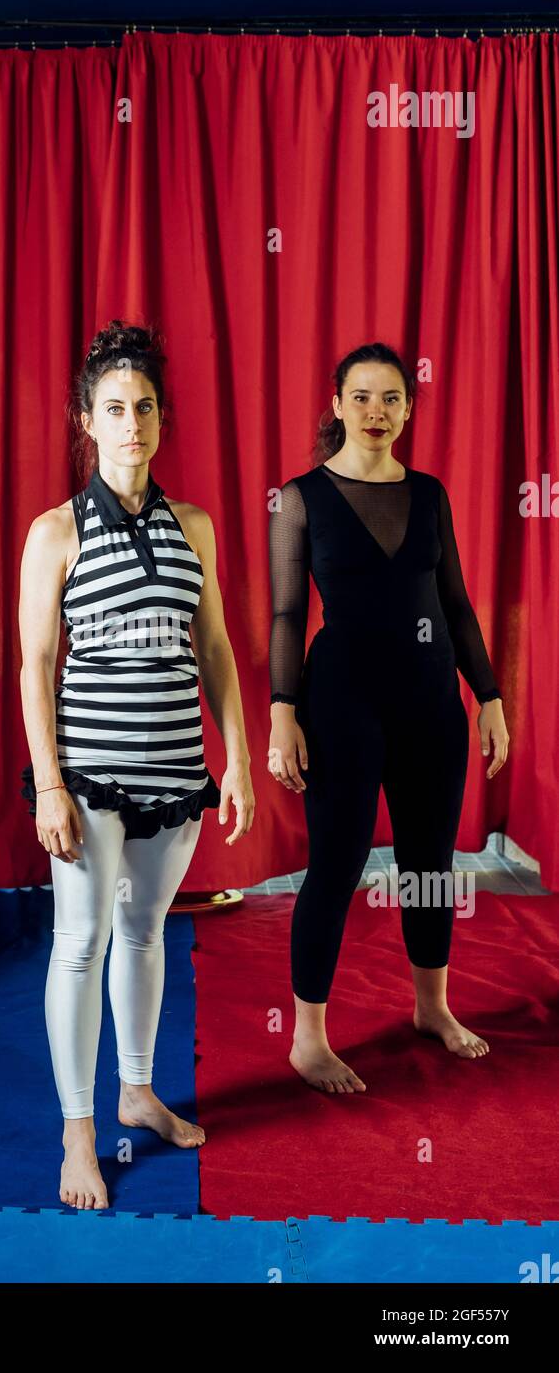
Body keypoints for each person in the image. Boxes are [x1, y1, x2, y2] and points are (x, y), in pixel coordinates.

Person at [19, 320, 254, 1210]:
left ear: (162, 419)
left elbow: (219, 646)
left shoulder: (193, 524)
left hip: (177, 770)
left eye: (144, 408)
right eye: (113, 408)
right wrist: (48, 783)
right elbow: (36, 667)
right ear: (87, 419)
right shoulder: (54, 533)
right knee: (80, 943)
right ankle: (79, 1131)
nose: (131, 424)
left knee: (148, 931)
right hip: (88, 773)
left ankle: (136, 1088)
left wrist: (232, 760)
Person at [268, 342, 509, 1095]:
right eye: (362, 397)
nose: (377, 411)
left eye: (392, 398)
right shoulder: (301, 496)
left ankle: (430, 1008)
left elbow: (459, 605)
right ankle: (308, 1039)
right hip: (340, 702)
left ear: (408, 408)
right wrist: (281, 713)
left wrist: (490, 697)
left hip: (432, 703)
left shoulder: (430, 494)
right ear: (337, 404)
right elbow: (283, 614)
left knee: (429, 868)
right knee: (336, 867)